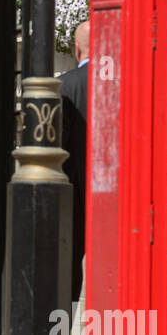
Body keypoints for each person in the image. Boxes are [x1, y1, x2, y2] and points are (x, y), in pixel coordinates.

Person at [59, 20, 90, 305]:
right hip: (117, 196)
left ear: (77, 47)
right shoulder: (127, 80)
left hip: (72, 193)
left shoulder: (64, 85)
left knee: (66, 268)